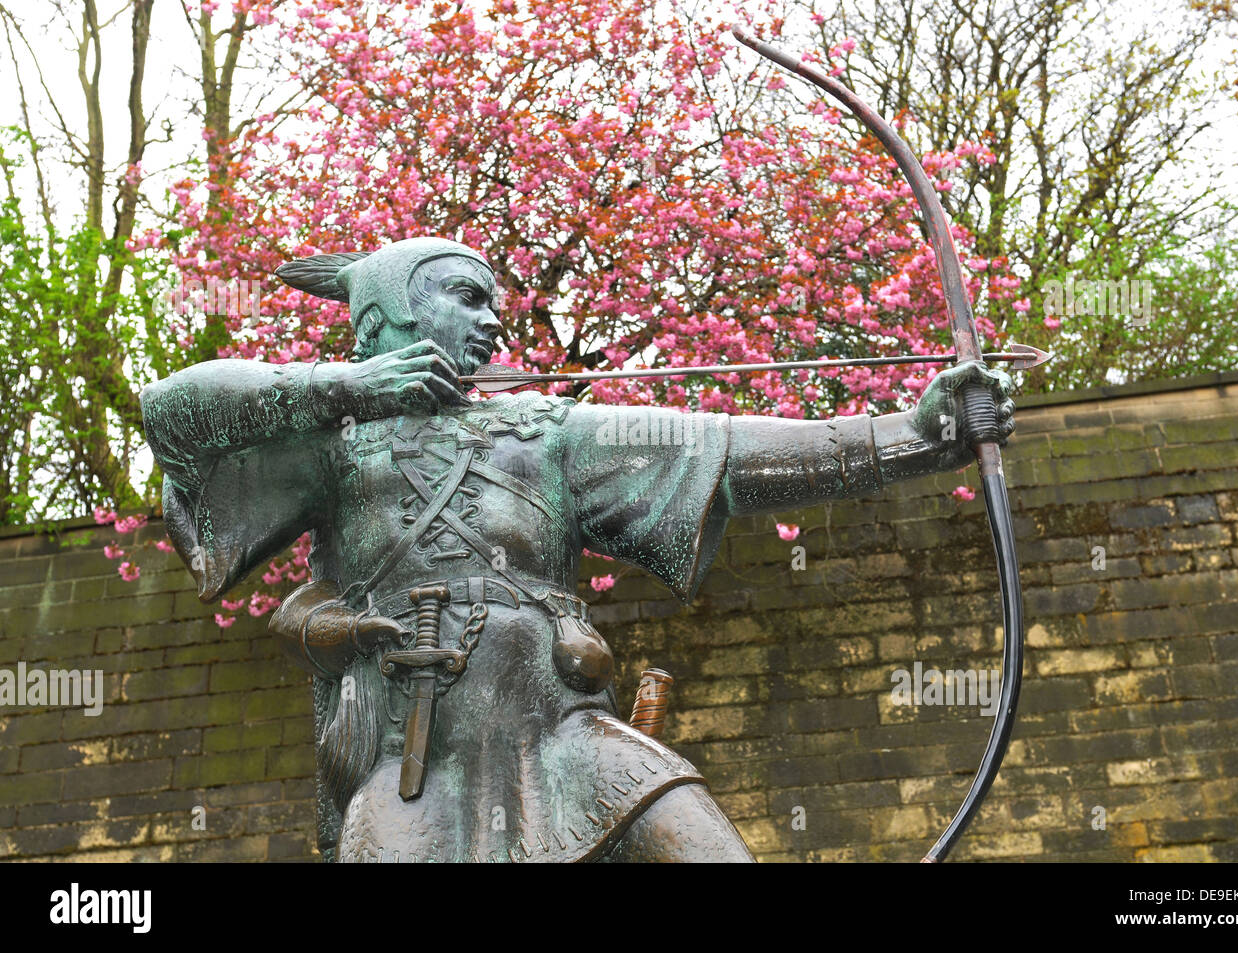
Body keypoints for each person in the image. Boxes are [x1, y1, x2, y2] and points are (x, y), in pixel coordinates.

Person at [141, 237, 1014, 862]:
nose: (493, 324)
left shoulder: (548, 430)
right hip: (414, 762)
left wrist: (920, 433)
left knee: (697, 838)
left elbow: (736, 455)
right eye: (465, 297)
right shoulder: (330, 441)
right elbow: (170, 411)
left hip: (564, 737)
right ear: (385, 314)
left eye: (494, 302)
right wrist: (346, 387)